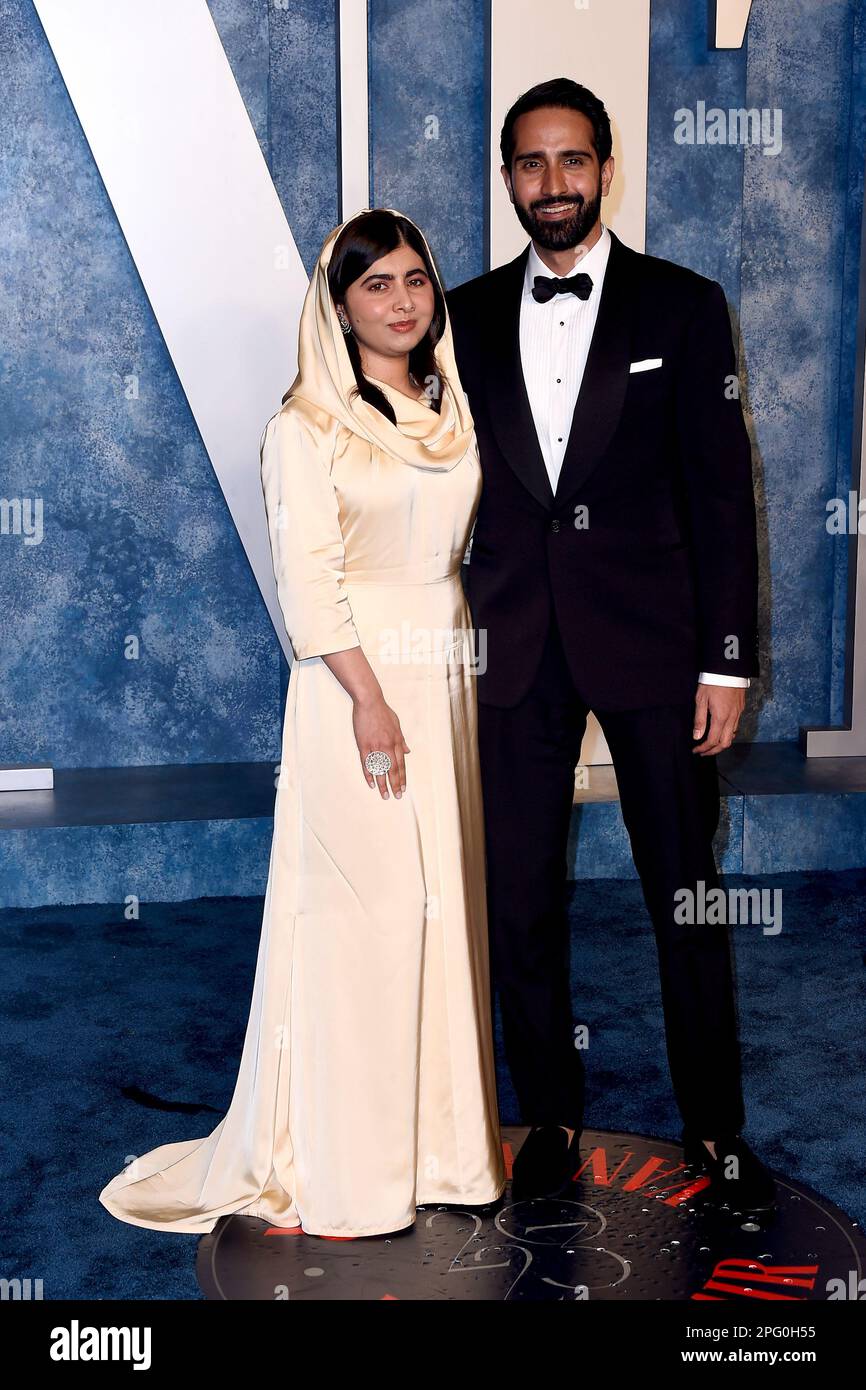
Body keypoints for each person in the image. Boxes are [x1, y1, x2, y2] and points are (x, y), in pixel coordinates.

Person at [98, 207, 505, 1237]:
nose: (402, 300)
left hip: (441, 669)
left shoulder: (449, 403)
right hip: (353, 686)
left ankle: (440, 1152)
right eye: (376, 285)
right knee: (362, 917)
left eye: (415, 279)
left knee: (437, 905)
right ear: (336, 306)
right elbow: (308, 586)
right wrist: (369, 700)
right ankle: (349, 1161)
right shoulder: (305, 426)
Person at [446, 78, 776, 1211]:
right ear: (506, 177)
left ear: (605, 167)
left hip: (656, 651)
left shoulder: (682, 308)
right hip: (513, 653)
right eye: (530, 165)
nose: (552, 185)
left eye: (570, 161)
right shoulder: (464, 314)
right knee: (521, 899)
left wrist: (725, 659)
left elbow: (721, 494)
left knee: (684, 892)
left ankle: (715, 1128)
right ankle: (544, 1116)